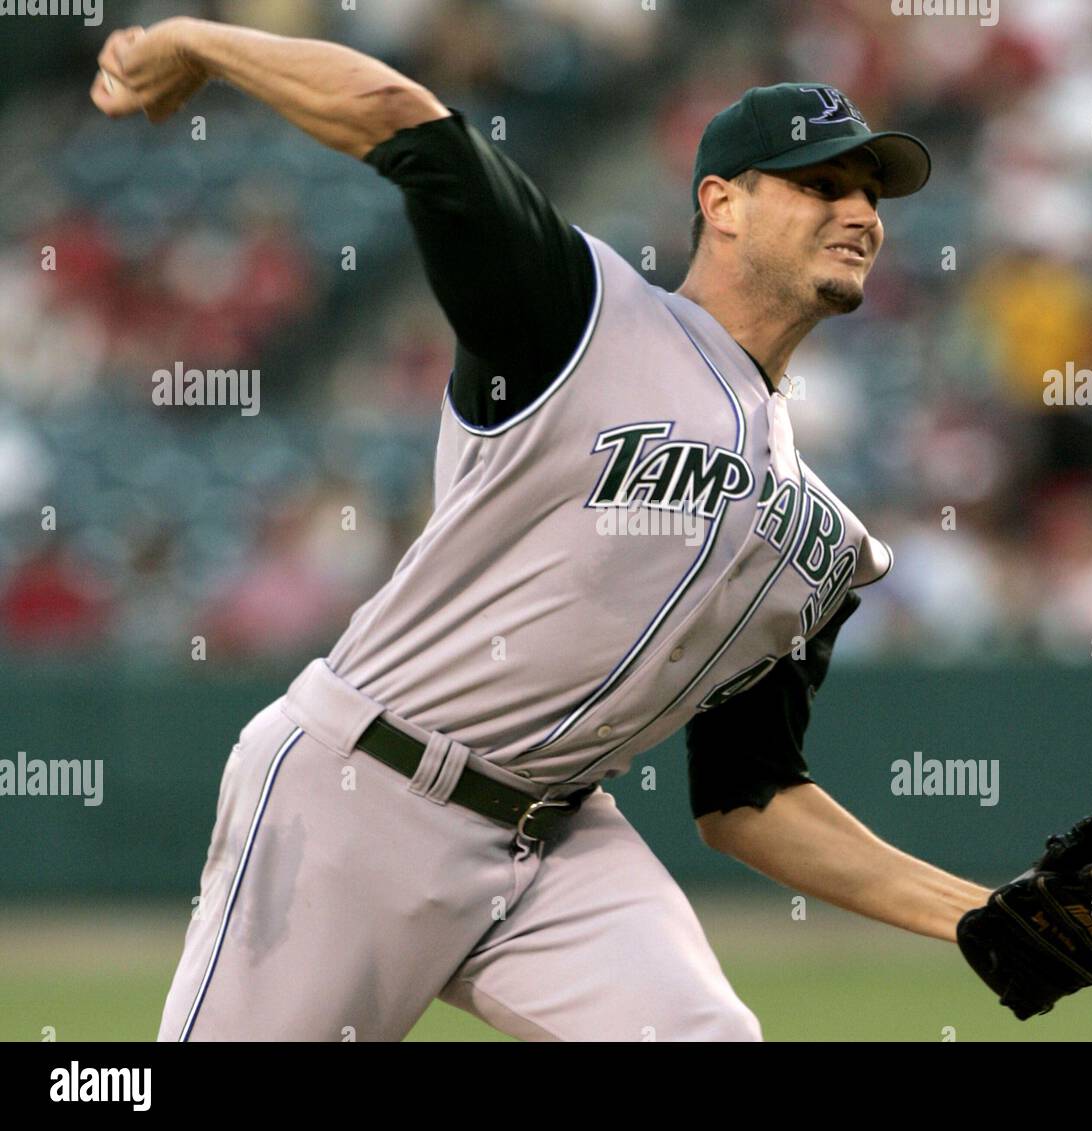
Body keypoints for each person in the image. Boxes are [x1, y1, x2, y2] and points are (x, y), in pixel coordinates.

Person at [92, 17, 993, 1042]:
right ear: (722, 203)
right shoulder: (577, 313)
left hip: (557, 842)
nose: (861, 212)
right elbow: (406, 123)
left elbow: (749, 797)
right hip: (365, 790)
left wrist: (974, 914)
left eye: (871, 193)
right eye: (821, 185)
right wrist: (199, 42)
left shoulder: (825, 541)